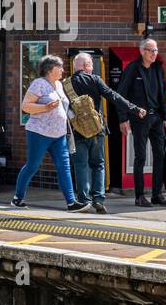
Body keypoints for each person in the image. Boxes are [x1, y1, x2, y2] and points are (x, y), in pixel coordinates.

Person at [67, 52, 145, 214]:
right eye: (90, 65)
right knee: (98, 164)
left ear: (75, 66)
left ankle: (83, 200)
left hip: (77, 131)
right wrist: (135, 109)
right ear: (88, 65)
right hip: (96, 129)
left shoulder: (66, 84)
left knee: (81, 165)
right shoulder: (95, 79)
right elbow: (113, 96)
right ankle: (99, 199)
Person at [12, 55, 77, 210]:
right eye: (59, 67)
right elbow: (25, 106)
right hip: (39, 133)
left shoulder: (59, 85)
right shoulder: (39, 84)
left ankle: (71, 202)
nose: (62, 69)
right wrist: (45, 108)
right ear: (49, 69)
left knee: (64, 166)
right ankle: (18, 198)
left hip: (59, 134)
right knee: (32, 166)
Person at [117, 38, 166, 207]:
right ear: (142, 51)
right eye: (151, 50)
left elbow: (163, 95)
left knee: (160, 155)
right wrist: (123, 118)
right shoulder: (133, 69)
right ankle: (139, 196)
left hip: (157, 118)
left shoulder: (157, 69)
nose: (154, 53)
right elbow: (121, 95)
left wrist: (165, 118)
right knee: (140, 156)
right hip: (139, 118)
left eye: (156, 51)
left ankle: (156, 194)